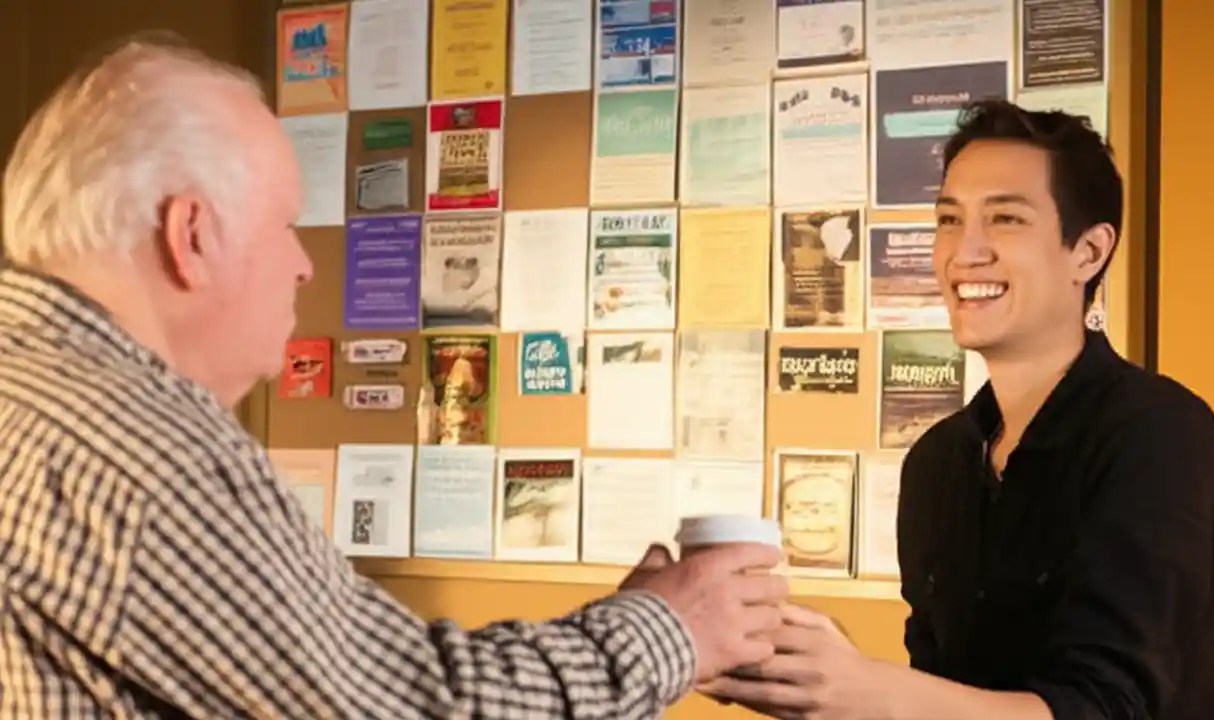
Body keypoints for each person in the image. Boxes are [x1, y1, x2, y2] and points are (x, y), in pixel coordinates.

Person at [0, 34, 788, 718]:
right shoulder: (146, 454)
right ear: (193, 234)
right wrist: (671, 630)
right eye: (284, 225)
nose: (305, 265)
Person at [701, 100, 1214, 719]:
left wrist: (866, 690)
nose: (965, 252)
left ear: (1089, 253)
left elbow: (1106, 708)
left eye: (1006, 219)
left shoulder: (1159, 439)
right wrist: (815, 668)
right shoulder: (938, 462)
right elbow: (940, 693)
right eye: (948, 219)